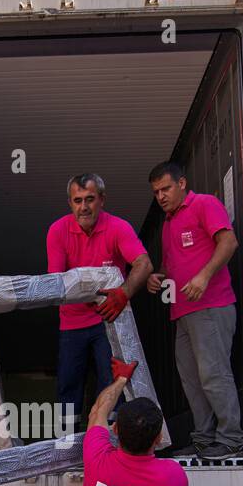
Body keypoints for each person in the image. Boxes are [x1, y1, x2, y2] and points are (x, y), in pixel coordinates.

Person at [147, 160, 243, 460]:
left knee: (214, 375)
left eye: (165, 189)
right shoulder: (168, 223)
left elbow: (229, 242)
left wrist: (203, 276)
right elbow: (169, 265)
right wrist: (156, 276)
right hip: (182, 313)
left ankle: (231, 440)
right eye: (156, 192)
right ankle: (204, 440)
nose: (161, 196)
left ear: (182, 183)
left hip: (211, 306)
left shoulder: (204, 204)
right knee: (191, 380)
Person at [46, 173, 152, 431]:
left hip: (110, 320)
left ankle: (108, 440)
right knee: (69, 385)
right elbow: (55, 283)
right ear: (70, 203)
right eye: (77, 200)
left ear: (102, 200)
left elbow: (144, 264)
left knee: (112, 383)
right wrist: (92, 290)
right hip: (71, 323)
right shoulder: (58, 230)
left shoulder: (118, 227)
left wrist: (123, 293)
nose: (84, 207)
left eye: (90, 199)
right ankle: (68, 443)